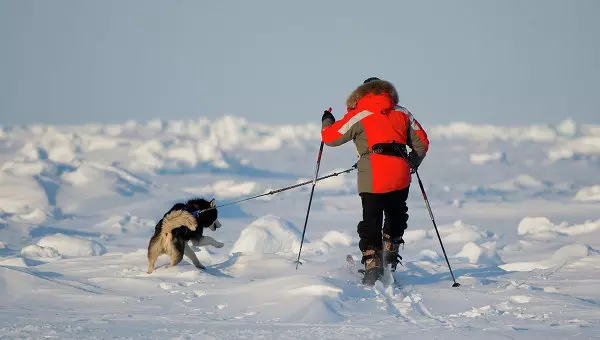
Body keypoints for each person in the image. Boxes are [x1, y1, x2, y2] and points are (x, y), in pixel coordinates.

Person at [321, 77, 430, 286]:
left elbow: (330, 138)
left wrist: (327, 119)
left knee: (371, 218)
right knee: (397, 212)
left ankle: (372, 263)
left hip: (372, 176)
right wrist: (412, 163)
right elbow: (422, 143)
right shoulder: (403, 113)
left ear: (361, 94)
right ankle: (390, 253)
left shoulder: (359, 114)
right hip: (400, 174)